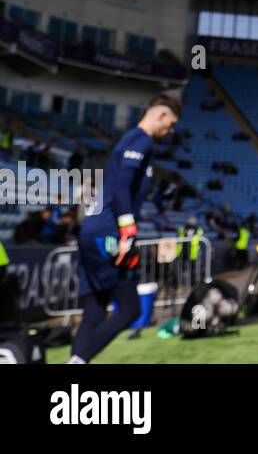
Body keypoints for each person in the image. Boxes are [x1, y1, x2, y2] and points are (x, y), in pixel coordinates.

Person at [69, 94, 181, 363]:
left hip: (92, 231)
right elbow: (122, 186)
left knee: (95, 309)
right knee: (129, 309)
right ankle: (77, 361)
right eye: (171, 123)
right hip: (108, 233)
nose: (171, 131)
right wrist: (127, 229)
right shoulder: (141, 140)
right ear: (161, 115)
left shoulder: (128, 139)